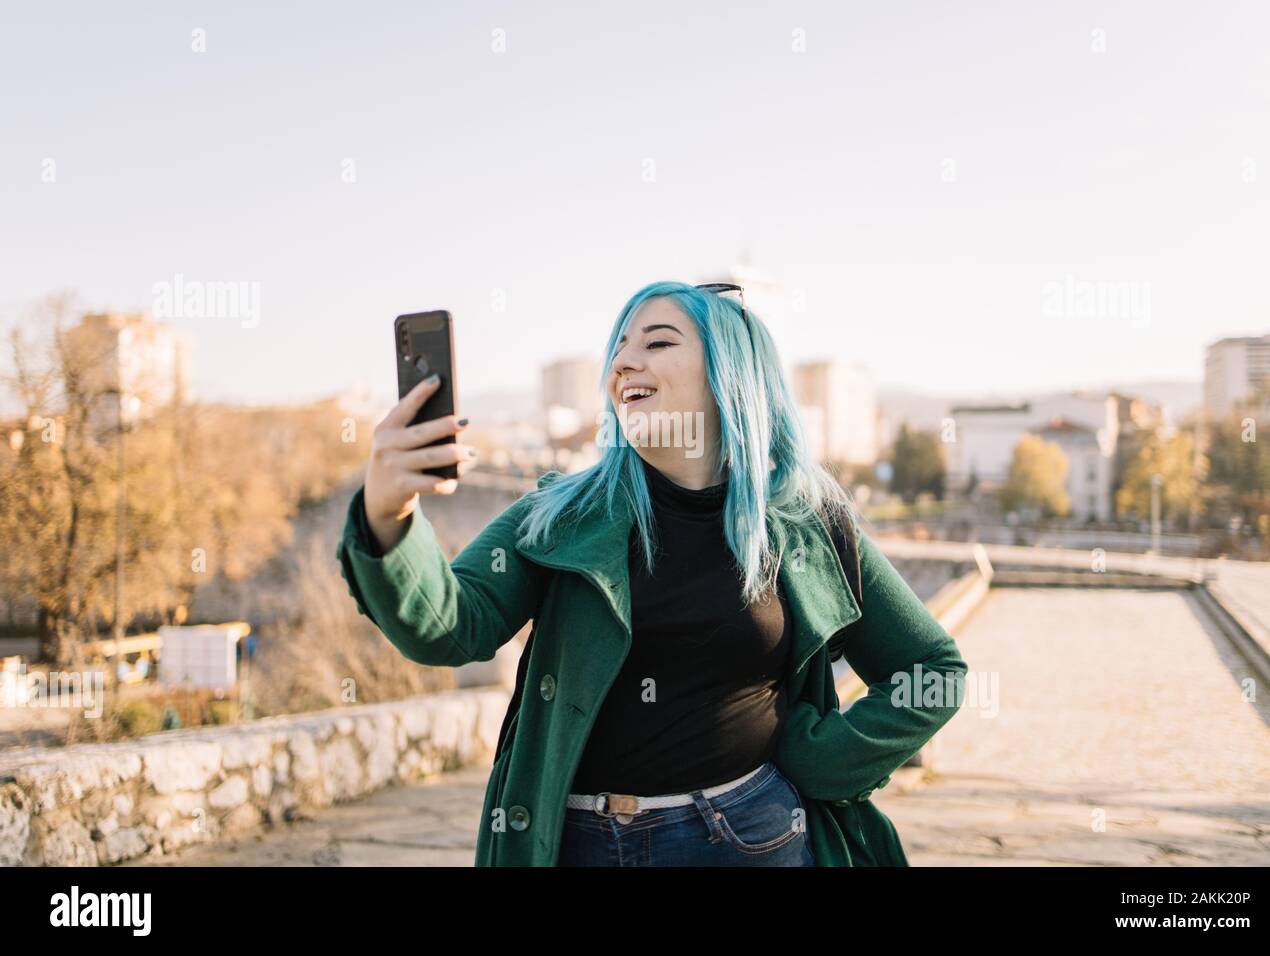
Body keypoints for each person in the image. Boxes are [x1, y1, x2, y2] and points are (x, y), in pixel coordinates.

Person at [336, 280, 968, 866]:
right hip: (574, 844)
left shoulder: (810, 520)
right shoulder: (558, 514)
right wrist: (388, 512)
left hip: (749, 839)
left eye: (656, 342)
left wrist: (823, 759)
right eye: (619, 347)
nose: (622, 363)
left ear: (731, 372)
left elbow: (933, 673)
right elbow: (451, 630)